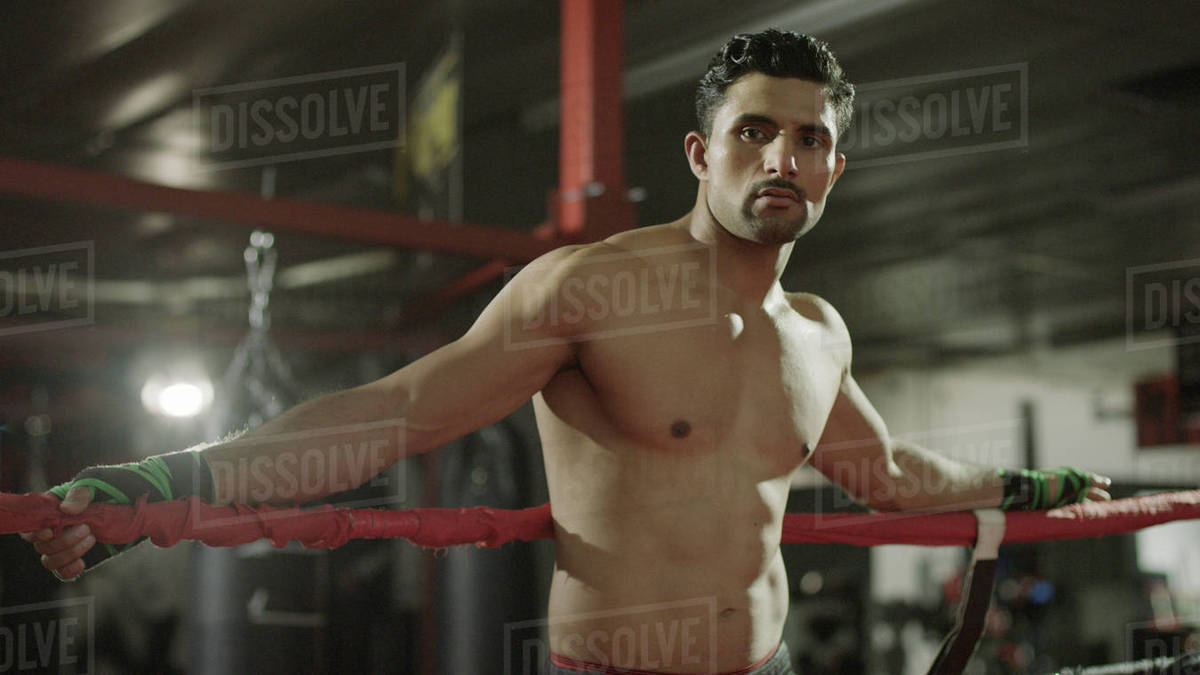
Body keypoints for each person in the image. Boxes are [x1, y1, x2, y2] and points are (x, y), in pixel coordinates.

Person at [23, 29, 1111, 674]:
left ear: (835, 169)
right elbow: (394, 415)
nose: (784, 155)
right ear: (700, 152)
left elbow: (890, 478)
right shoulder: (592, 288)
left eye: (811, 139)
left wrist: (1030, 486)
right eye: (755, 131)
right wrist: (162, 483)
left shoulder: (818, 333)